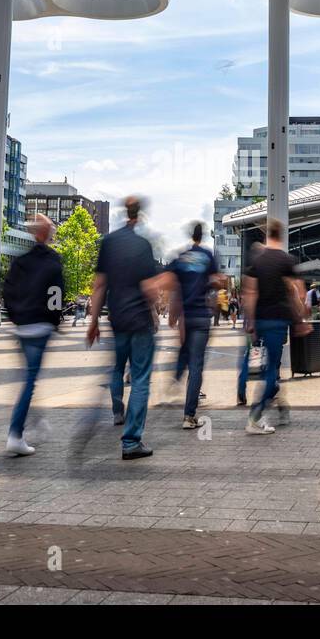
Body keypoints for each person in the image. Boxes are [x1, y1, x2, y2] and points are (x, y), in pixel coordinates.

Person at [86, 196, 167, 460]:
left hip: (117, 320)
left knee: (117, 368)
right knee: (141, 378)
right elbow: (148, 289)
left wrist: (94, 321)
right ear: (139, 215)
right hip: (140, 322)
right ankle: (131, 441)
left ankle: (116, 410)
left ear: (124, 213)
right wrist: (157, 308)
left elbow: (99, 286)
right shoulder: (142, 245)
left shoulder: (109, 242)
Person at [241, 219, 310, 435]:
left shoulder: (258, 262)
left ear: (266, 236)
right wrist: (300, 319)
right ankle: (255, 416)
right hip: (279, 321)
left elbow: (250, 293)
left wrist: (251, 321)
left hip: (261, 321)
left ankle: (260, 410)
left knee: (267, 368)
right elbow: (299, 292)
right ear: (281, 236)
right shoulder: (286, 260)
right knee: (272, 371)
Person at [3, 214, 64, 456]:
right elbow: (56, 294)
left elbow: (8, 291)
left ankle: (37, 420)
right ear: (46, 235)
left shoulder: (20, 261)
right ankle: (15, 434)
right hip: (41, 327)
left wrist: (17, 317)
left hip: (22, 327)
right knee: (30, 381)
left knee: (29, 377)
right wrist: (54, 320)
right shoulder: (53, 261)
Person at [168, 222, 225, 430]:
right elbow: (217, 281)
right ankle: (189, 415)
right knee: (197, 366)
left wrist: (173, 315)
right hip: (201, 316)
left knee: (184, 351)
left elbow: (174, 288)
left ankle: (174, 377)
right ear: (203, 236)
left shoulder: (182, 257)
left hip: (185, 316)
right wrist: (212, 284)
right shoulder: (208, 256)